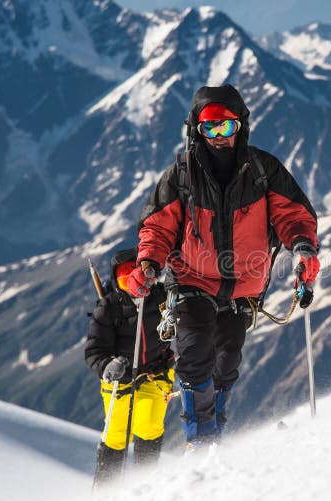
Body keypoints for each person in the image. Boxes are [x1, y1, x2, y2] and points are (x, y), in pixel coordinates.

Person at [127, 84, 320, 450]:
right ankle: (199, 438)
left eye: (226, 126)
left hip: (243, 287)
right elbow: (158, 227)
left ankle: (214, 428)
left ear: (240, 127)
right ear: (196, 130)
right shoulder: (181, 175)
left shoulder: (263, 171)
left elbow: (293, 215)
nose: (219, 136)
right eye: (210, 127)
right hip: (191, 278)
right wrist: (148, 262)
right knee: (194, 352)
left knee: (226, 361)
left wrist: (303, 248)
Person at [85, 247, 174, 485]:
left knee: (149, 426)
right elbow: (94, 351)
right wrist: (107, 366)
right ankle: (106, 489)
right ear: (116, 281)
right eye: (125, 279)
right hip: (119, 379)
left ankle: (142, 485)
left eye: (136, 276)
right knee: (116, 433)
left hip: (156, 372)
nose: (132, 285)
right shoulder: (108, 307)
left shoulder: (161, 298)